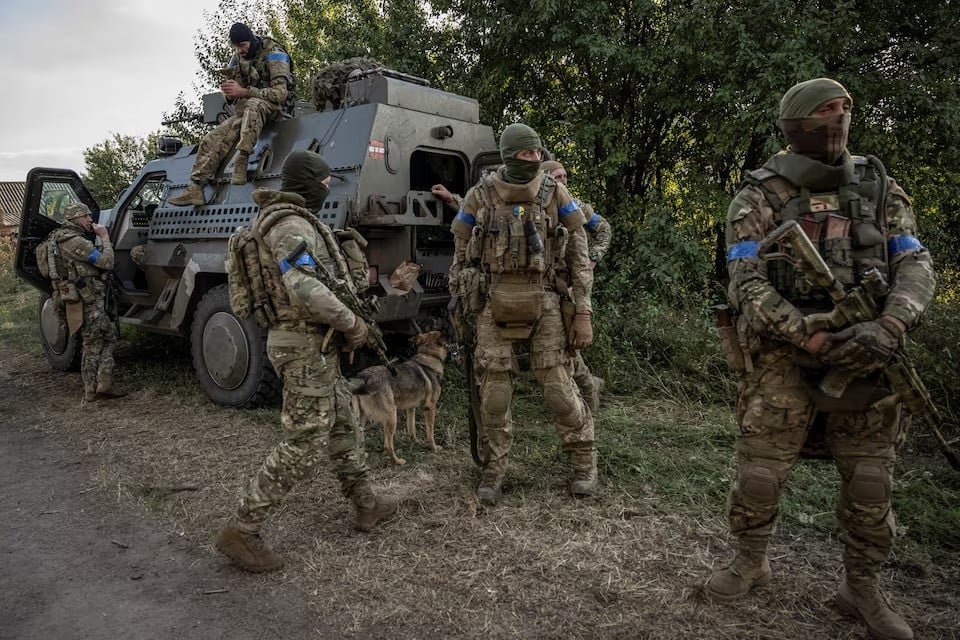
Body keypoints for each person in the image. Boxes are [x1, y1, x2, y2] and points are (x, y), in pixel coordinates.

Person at [708, 78, 935, 640]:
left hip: (871, 355)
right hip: (785, 358)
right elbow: (745, 283)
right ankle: (750, 561)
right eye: (827, 113)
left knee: (870, 483)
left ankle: (862, 588)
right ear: (797, 123)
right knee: (760, 472)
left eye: (846, 111)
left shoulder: (881, 190)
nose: (839, 121)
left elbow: (916, 263)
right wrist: (806, 335)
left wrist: (890, 324)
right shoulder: (757, 197)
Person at [216, 150, 397, 573]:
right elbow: (301, 284)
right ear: (309, 182)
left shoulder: (289, 220)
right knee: (304, 440)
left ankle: (366, 505)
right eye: (326, 179)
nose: (329, 186)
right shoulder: (291, 225)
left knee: (341, 422)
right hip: (302, 346)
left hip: (313, 345)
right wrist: (352, 323)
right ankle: (241, 530)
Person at [448, 123, 597, 505]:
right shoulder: (478, 196)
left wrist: (582, 311)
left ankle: (584, 463)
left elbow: (580, 258)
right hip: (493, 301)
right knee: (494, 393)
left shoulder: (555, 192)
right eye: (528, 153)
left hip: (545, 299)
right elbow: (460, 254)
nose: (535, 159)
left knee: (559, 389)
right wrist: (461, 304)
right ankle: (494, 469)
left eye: (537, 153)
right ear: (510, 154)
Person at [169, 22, 294, 206]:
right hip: (249, 114)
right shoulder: (237, 59)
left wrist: (244, 92)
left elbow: (280, 94)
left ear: (251, 40)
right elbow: (233, 94)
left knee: (253, 105)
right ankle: (195, 187)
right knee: (213, 138)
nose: (240, 50)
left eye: (243, 45)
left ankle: (242, 160)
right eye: (236, 46)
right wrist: (229, 94)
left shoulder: (274, 54)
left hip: (275, 109)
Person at [540, 159, 611, 411]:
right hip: (543, 286)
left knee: (569, 346)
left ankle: (588, 391)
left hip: (568, 287)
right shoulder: (538, 206)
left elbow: (603, 228)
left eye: (565, 176)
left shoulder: (576, 208)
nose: (562, 181)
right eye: (556, 177)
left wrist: (594, 257)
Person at [46, 203, 119, 402]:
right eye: (85, 216)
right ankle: (92, 388)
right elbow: (107, 262)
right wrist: (104, 238)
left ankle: (102, 383)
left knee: (107, 337)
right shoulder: (76, 243)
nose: (90, 220)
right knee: (94, 341)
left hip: (78, 298)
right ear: (75, 219)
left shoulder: (57, 238)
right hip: (89, 299)